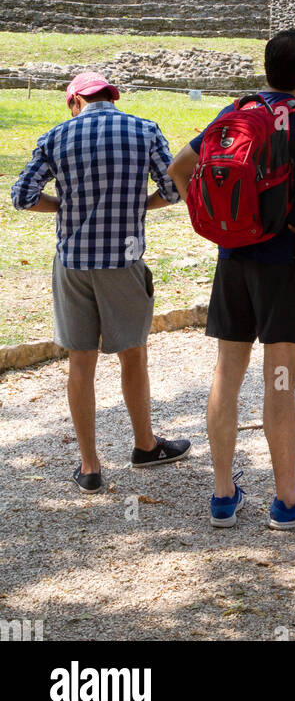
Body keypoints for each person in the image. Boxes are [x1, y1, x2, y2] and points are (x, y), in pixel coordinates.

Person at [168, 29, 295, 530]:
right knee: (280, 379)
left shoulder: (234, 113)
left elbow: (180, 166)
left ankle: (223, 495)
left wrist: (208, 218)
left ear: (266, 69)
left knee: (227, 372)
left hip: (233, 260)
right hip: (282, 263)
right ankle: (287, 500)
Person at [10, 72, 190, 491]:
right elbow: (175, 188)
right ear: (113, 97)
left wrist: (65, 206)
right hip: (123, 260)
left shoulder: (57, 136)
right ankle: (145, 446)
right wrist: (139, 206)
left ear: (76, 101)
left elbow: (22, 195)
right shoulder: (143, 130)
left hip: (73, 262)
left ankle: (90, 468)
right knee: (133, 355)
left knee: (80, 361)